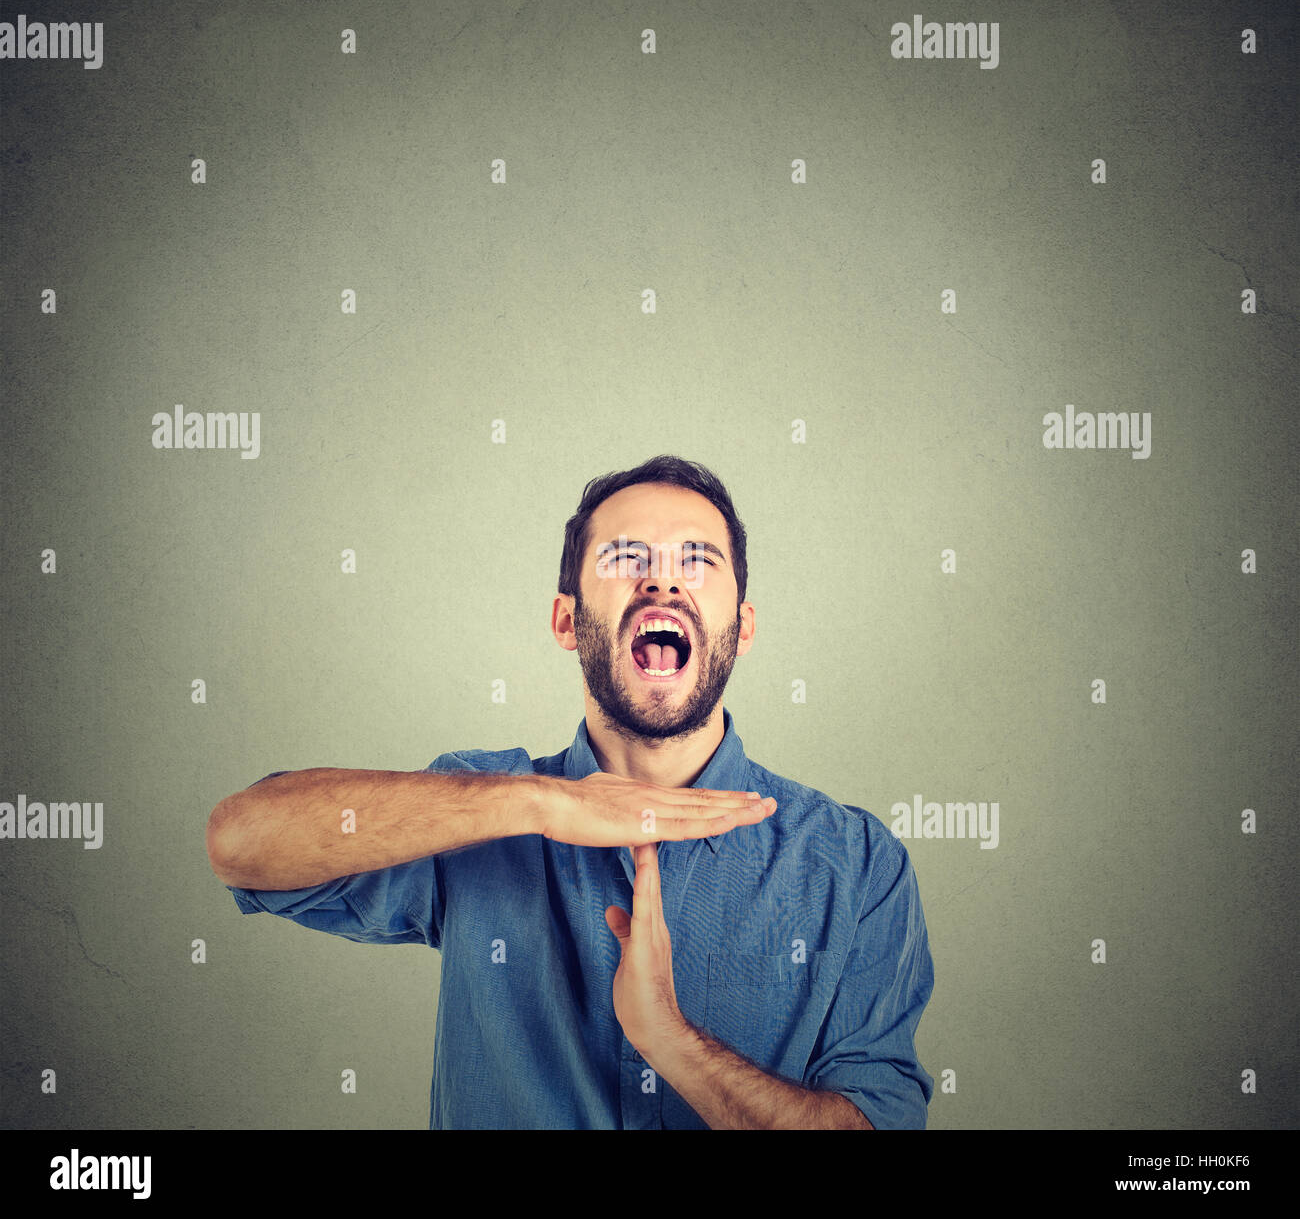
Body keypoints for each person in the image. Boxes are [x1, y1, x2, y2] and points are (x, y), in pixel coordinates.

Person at [206, 454, 934, 1129]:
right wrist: (540, 803)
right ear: (566, 621)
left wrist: (669, 1040)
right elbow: (239, 842)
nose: (663, 581)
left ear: (741, 629)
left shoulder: (857, 863)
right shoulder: (479, 810)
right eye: (625, 559)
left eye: (697, 561)